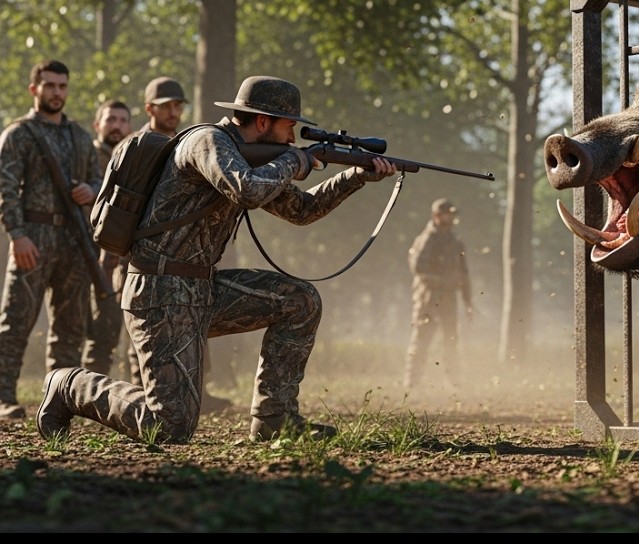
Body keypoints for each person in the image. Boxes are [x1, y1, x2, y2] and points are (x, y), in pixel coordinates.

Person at [36, 75, 395, 443]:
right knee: (169, 427)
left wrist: (355, 176)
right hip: (160, 295)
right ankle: (68, 385)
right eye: (290, 127)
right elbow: (246, 190)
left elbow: (303, 210)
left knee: (299, 301)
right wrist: (294, 161)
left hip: (201, 288)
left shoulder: (252, 158)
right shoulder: (207, 142)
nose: (293, 138)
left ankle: (275, 420)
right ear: (262, 121)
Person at [0, 59, 101, 423]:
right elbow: (6, 189)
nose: (57, 92)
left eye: (62, 85)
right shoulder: (19, 134)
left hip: (75, 241)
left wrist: (91, 189)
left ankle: (60, 403)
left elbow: (99, 179)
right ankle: (4, 398)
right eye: (50, 85)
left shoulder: (79, 136)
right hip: (33, 237)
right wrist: (18, 234)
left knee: (69, 329)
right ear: (34, 89)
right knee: (16, 321)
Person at [132, 76, 233, 414]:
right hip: (144, 257)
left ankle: (189, 394)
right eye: (167, 106)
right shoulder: (140, 145)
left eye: (179, 106)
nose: (174, 112)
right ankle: (146, 396)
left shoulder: (183, 143)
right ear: (150, 109)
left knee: (185, 337)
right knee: (149, 339)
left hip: (181, 265)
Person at [81, 100, 133, 380]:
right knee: (100, 333)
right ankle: (87, 395)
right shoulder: (88, 157)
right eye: (111, 119)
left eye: (123, 120)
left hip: (125, 257)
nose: (117, 125)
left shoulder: (135, 159)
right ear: (97, 124)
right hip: (92, 256)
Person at [403, 197, 473, 391]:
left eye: (451, 214)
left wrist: (468, 300)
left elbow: (464, 273)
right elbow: (417, 267)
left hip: (449, 300)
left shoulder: (455, 241)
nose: (449, 217)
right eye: (446, 214)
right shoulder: (426, 239)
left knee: (451, 340)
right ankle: (412, 382)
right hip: (428, 298)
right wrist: (441, 281)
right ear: (436, 216)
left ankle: (454, 381)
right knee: (421, 339)